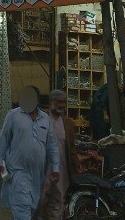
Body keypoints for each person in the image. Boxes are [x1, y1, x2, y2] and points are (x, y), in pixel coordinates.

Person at [0, 86, 60, 220]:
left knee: (32, 206)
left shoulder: (45, 119)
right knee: (22, 206)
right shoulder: (13, 115)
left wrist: (55, 167)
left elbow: (52, 145)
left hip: (37, 175)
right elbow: (4, 139)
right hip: (18, 171)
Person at [34, 89, 76, 220]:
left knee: (57, 202)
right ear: (51, 102)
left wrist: (75, 163)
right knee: (38, 201)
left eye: (64, 102)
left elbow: (71, 148)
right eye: (59, 101)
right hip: (42, 169)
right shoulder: (40, 119)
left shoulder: (68, 124)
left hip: (61, 171)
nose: (62, 105)